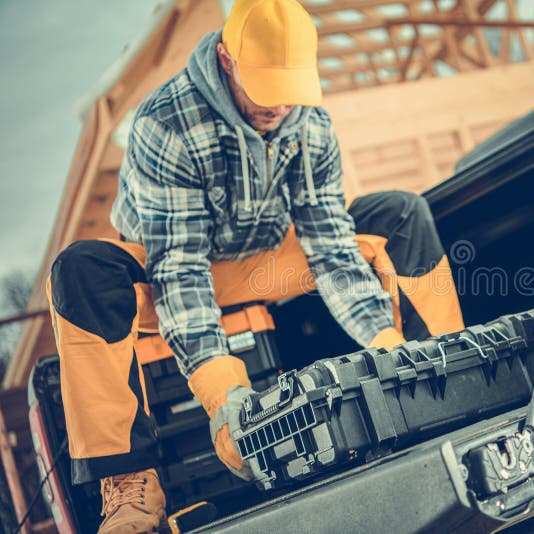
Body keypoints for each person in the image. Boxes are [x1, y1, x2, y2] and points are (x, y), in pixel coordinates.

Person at [45, 0, 464, 531]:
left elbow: (330, 247)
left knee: (397, 213)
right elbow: (180, 269)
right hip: (170, 275)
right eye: (265, 87)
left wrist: (383, 342)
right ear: (226, 59)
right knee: (80, 270)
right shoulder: (165, 123)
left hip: (266, 263)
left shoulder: (308, 123)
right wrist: (225, 398)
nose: (278, 107)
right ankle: (130, 492)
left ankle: (443, 380)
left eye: (290, 90)